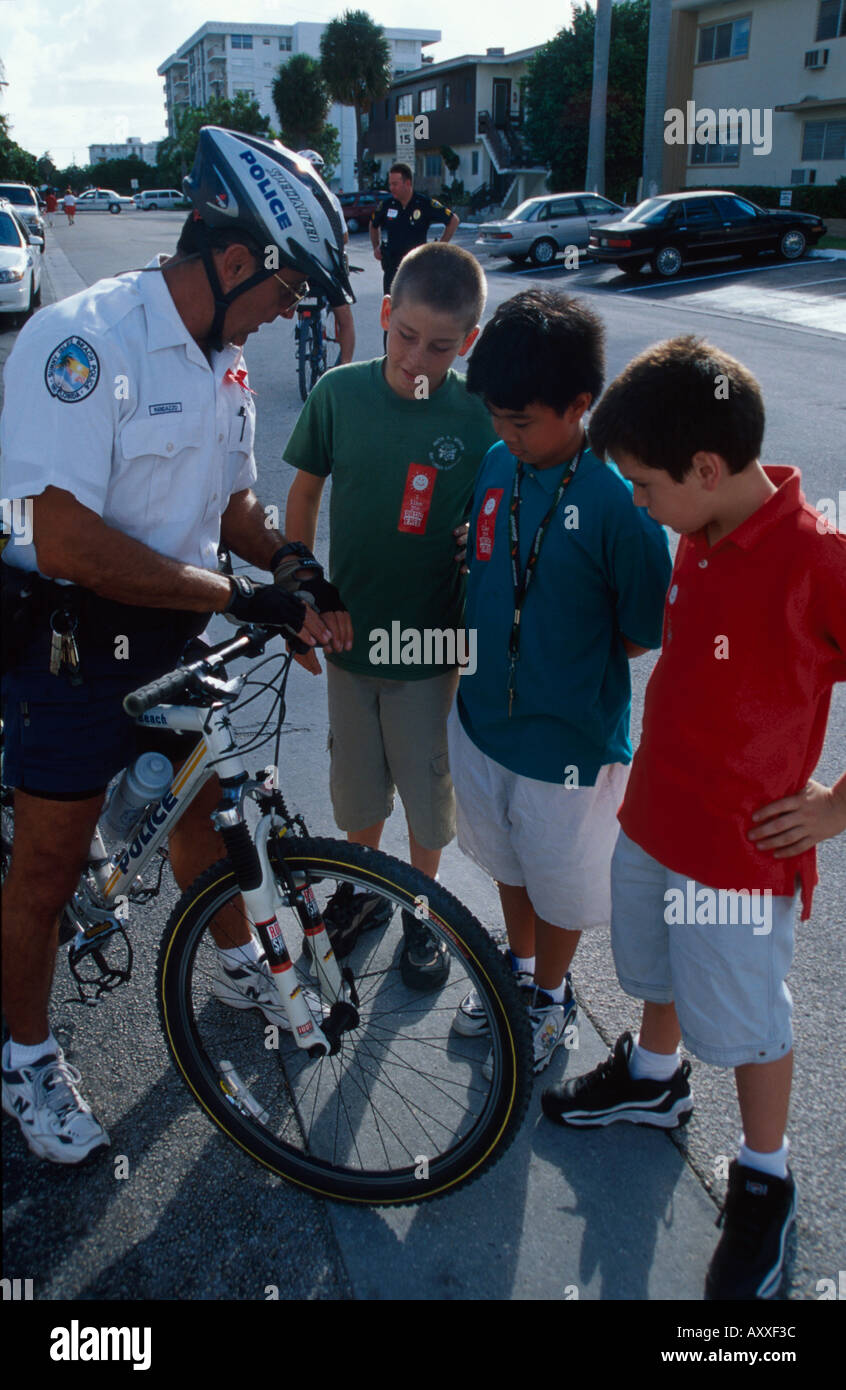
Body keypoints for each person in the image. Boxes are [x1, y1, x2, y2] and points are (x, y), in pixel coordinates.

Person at [0, 128, 354, 1166]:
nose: (291, 312)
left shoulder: (224, 356)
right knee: (50, 869)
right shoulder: (83, 342)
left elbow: (230, 498)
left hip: (174, 634)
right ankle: (22, 1056)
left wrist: (292, 565)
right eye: (289, 290)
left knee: (203, 807)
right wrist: (243, 596)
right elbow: (67, 537)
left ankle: (238, 958)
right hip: (71, 649)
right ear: (236, 258)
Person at [541, 336, 846, 1301]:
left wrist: (836, 807)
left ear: (705, 470)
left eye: (642, 486)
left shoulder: (816, 558)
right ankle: (655, 1077)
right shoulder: (700, 526)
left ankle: (766, 1176)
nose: (639, 503)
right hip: (657, 820)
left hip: (737, 857)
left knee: (750, 1023)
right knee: (656, 967)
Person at [449, 290, 671, 1074]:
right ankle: (516, 966)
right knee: (510, 862)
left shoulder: (621, 503)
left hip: (569, 747)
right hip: (484, 722)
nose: (505, 435)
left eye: (521, 422)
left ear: (580, 405)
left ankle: (551, 993)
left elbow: (642, 628)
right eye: (496, 418)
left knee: (560, 882)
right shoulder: (494, 463)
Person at [283, 241, 497, 985]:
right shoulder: (338, 393)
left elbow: (508, 503)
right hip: (349, 639)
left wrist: (483, 538)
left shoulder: (477, 415)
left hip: (429, 648)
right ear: (382, 315)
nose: (417, 359)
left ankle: (421, 909)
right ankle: (364, 888)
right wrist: (302, 588)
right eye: (405, 337)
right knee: (358, 787)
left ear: (467, 341)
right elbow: (305, 494)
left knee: (425, 787)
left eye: (440, 347)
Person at [296, 150, 355, 365]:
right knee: (344, 317)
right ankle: (345, 367)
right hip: (327, 266)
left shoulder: (292, 198)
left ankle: (300, 325)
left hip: (298, 265)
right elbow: (344, 238)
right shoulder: (329, 199)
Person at [370, 162, 459, 297]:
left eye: (395, 184)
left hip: (417, 270)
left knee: (417, 312)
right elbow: (373, 224)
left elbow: (453, 220)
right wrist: (376, 246)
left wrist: (439, 247)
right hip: (392, 269)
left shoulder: (424, 203)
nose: (391, 188)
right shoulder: (387, 205)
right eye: (390, 184)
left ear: (408, 183)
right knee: (391, 311)